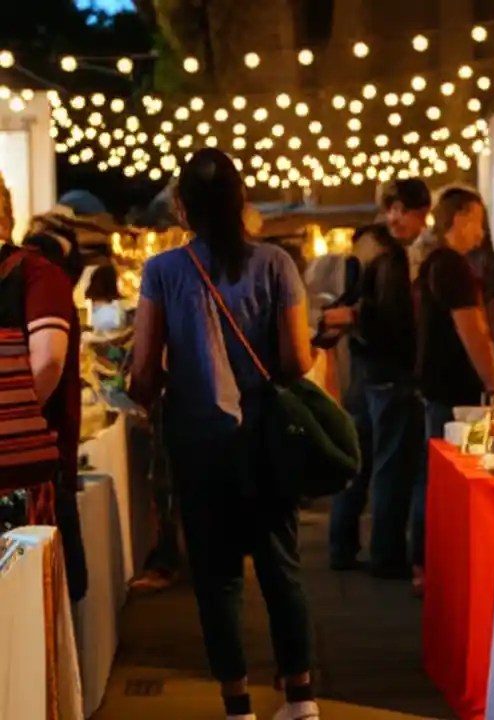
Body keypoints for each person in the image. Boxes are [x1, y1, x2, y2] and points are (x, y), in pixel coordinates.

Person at [128, 148, 319, 720]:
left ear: (183, 208)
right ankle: (301, 698)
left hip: (198, 443)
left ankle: (237, 705)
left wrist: (169, 381)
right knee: (282, 568)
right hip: (265, 440)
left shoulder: (163, 271)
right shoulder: (276, 264)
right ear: (242, 204)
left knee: (217, 578)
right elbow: (297, 358)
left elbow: (141, 373)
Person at [324, 179, 428, 580]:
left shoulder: (363, 248)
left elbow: (350, 302)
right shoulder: (391, 258)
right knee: (389, 466)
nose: (400, 219)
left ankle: (341, 546)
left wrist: (345, 319)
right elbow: (392, 319)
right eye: (396, 209)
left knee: (359, 461)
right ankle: (386, 554)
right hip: (389, 371)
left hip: (364, 370)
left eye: (405, 211)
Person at [414, 188, 494, 585]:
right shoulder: (451, 265)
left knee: (432, 476)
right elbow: (472, 330)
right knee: (442, 479)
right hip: (453, 389)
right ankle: (431, 564)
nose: (481, 234)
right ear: (462, 216)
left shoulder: (434, 262)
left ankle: (426, 562)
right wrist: (493, 380)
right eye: (479, 221)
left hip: (435, 384)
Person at [0, 234, 87, 604]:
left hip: (34, 481)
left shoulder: (37, 275)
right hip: (23, 473)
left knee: (40, 600)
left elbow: (48, 360)